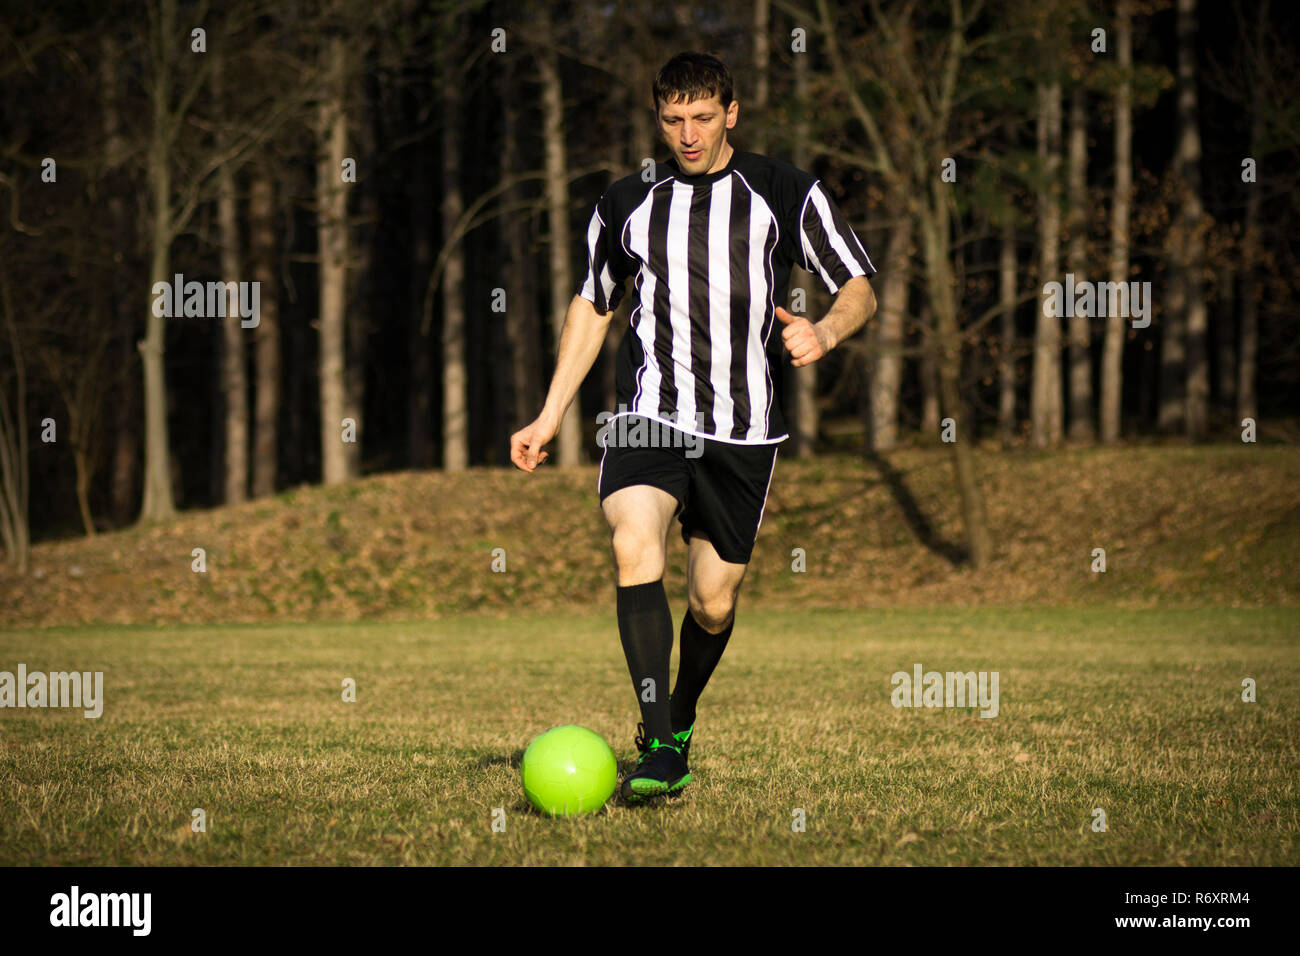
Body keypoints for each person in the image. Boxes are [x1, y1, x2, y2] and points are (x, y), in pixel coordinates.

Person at [510, 51, 878, 803]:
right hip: (650, 414)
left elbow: (860, 286)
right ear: (658, 116)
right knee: (631, 540)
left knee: (712, 601)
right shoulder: (625, 202)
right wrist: (549, 413)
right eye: (673, 118)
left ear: (731, 113)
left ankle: (675, 721)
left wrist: (826, 334)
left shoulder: (783, 191)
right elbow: (592, 305)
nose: (687, 133)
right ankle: (660, 748)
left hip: (743, 431)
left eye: (703, 117)